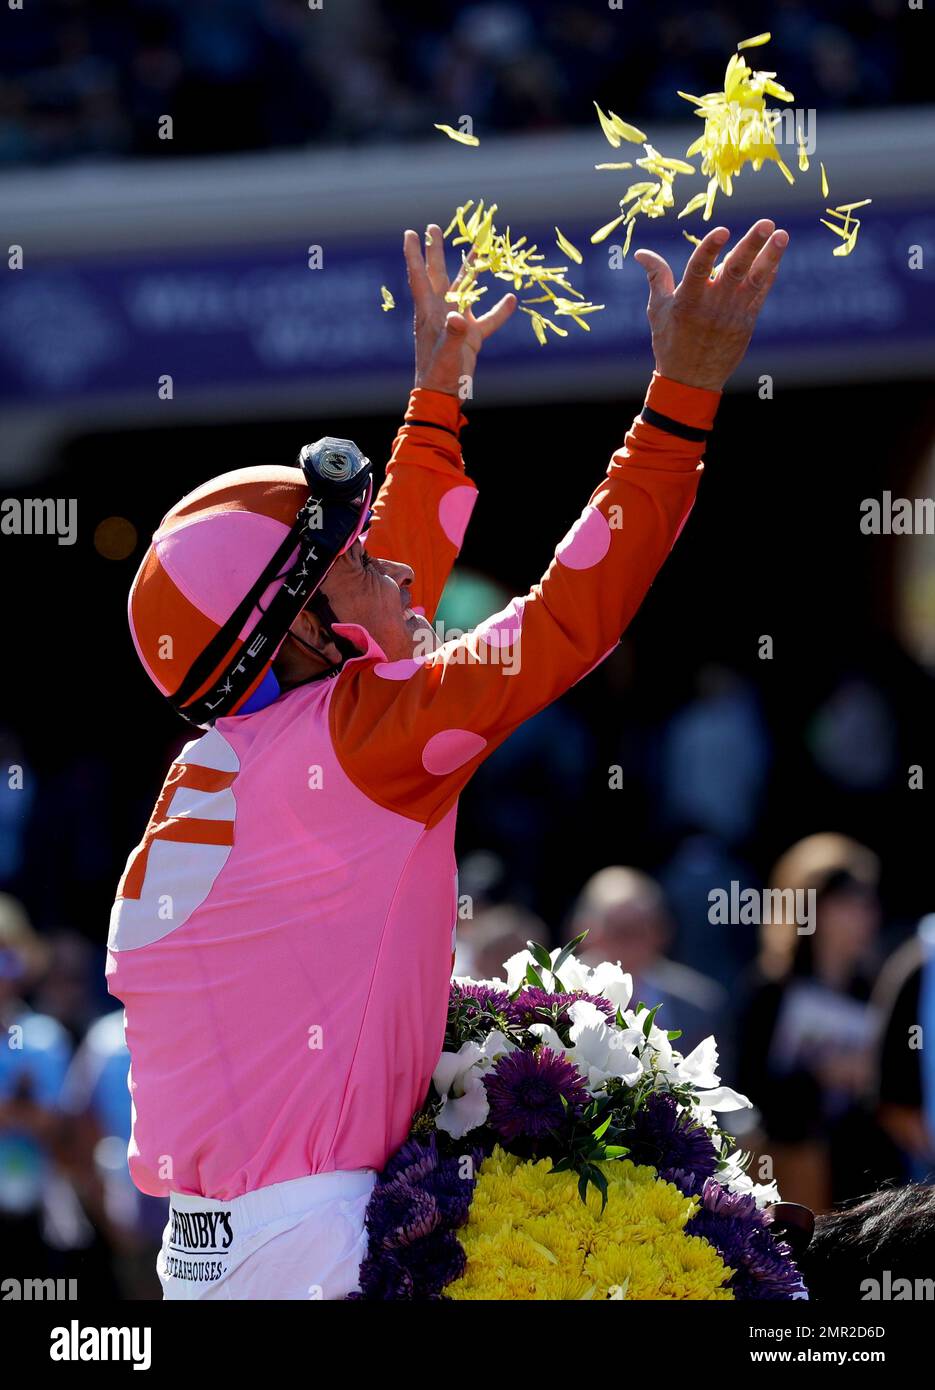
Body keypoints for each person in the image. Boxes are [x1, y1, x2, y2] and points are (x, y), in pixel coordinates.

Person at [106, 216, 789, 1299]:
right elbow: (567, 621)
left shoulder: (244, 744)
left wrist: (436, 396)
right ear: (301, 632)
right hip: (313, 1241)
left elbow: (392, 583)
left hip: (213, 1246)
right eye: (344, 549)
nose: (376, 547)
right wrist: (680, 401)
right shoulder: (363, 738)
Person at [573, 866, 728, 1060]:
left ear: (662, 931)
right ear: (584, 930)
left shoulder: (700, 1003)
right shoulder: (558, 993)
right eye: (618, 931)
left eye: (639, 930)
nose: (628, 942)